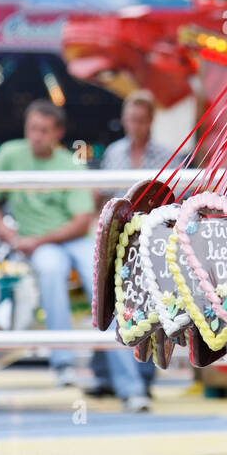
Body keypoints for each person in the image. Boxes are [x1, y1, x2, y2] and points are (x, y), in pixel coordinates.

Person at [0, 100, 150, 412]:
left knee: (105, 288)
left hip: (71, 239)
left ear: (58, 132)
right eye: (32, 129)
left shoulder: (69, 165)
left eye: (43, 130)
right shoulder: (10, 154)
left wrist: (33, 240)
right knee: (51, 269)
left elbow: (81, 221)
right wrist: (5, 231)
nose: (36, 136)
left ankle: (131, 388)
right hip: (42, 245)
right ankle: (63, 362)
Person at [92, 91, 174, 398]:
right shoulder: (114, 152)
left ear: (150, 120)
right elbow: (101, 196)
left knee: (149, 304)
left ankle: (143, 378)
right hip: (117, 240)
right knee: (107, 302)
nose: (135, 125)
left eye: (141, 120)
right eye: (131, 119)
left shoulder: (169, 154)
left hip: (151, 241)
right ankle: (104, 376)